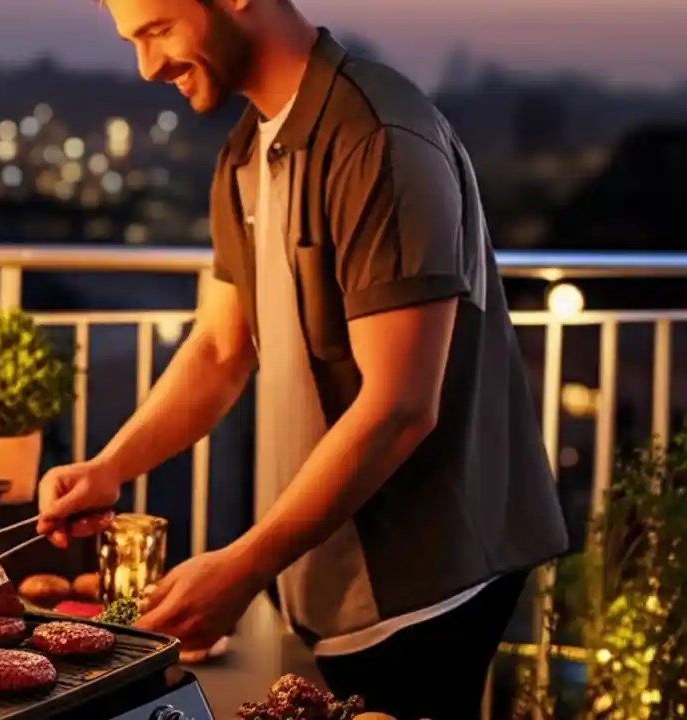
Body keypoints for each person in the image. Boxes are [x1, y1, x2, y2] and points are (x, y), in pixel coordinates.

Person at [36, 1, 570, 717]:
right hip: (324, 578)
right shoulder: (247, 153)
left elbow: (401, 407)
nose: (147, 65)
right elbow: (222, 349)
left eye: (159, 30)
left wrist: (239, 569)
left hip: (423, 583)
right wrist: (109, 468)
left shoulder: (377, 138)